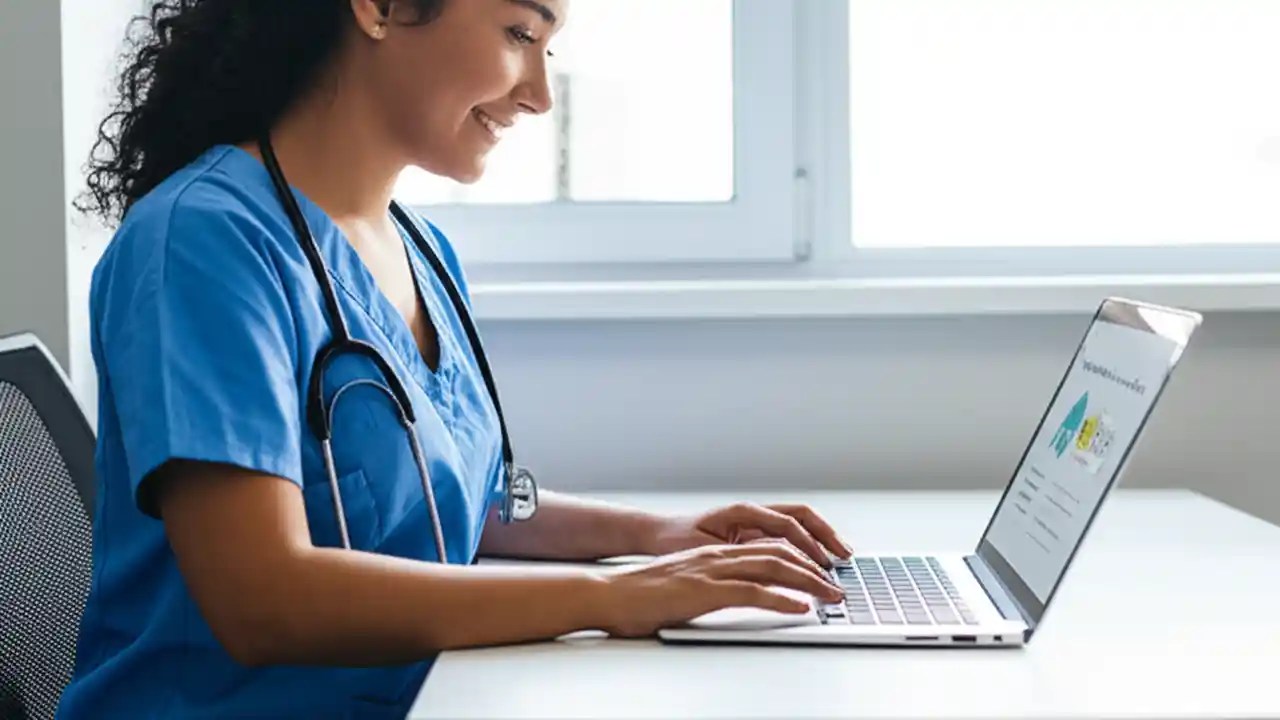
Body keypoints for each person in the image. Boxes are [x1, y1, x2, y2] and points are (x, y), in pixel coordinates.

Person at [57, 1, 853, 717]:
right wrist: (614, 595)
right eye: (519, 34)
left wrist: (664, 535)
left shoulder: (421, 251)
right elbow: (264, 597)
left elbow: (457, 506)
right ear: (377, 8)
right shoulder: (203, 241)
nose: (539, 93)